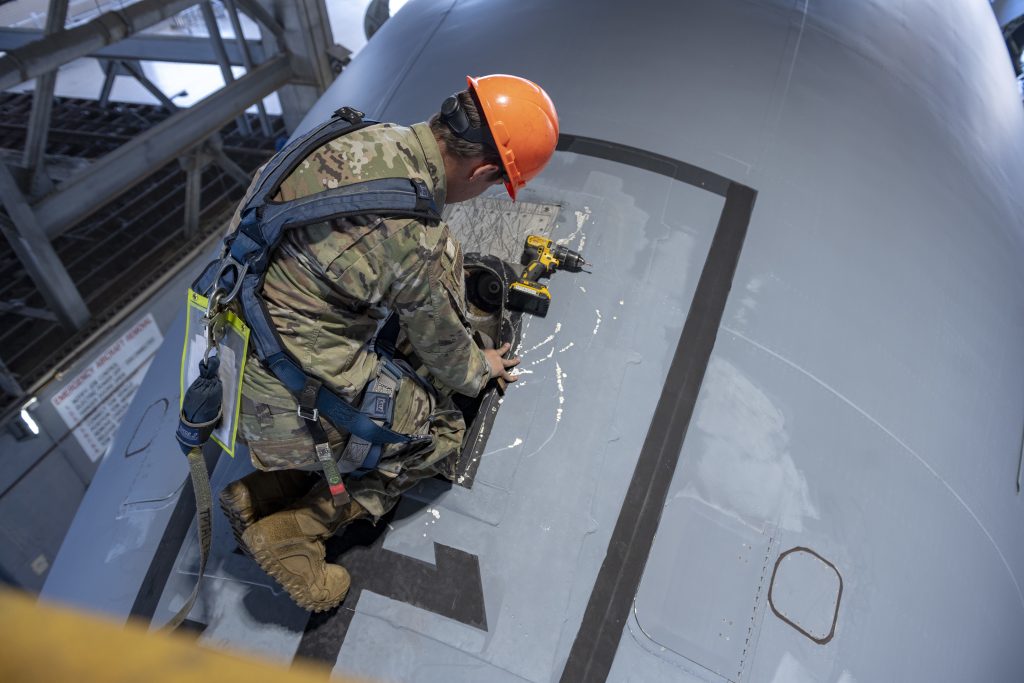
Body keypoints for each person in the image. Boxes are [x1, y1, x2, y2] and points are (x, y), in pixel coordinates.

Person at [217, 74, 559, 612]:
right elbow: (453, 362)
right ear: (485, 171)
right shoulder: (416, 233)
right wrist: (484, 363)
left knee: (373, 356)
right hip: (280, 401)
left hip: (225, 367)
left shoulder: (348, 135)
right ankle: (295, 535)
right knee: (439, 430)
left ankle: (260, 492)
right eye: (496, 185)